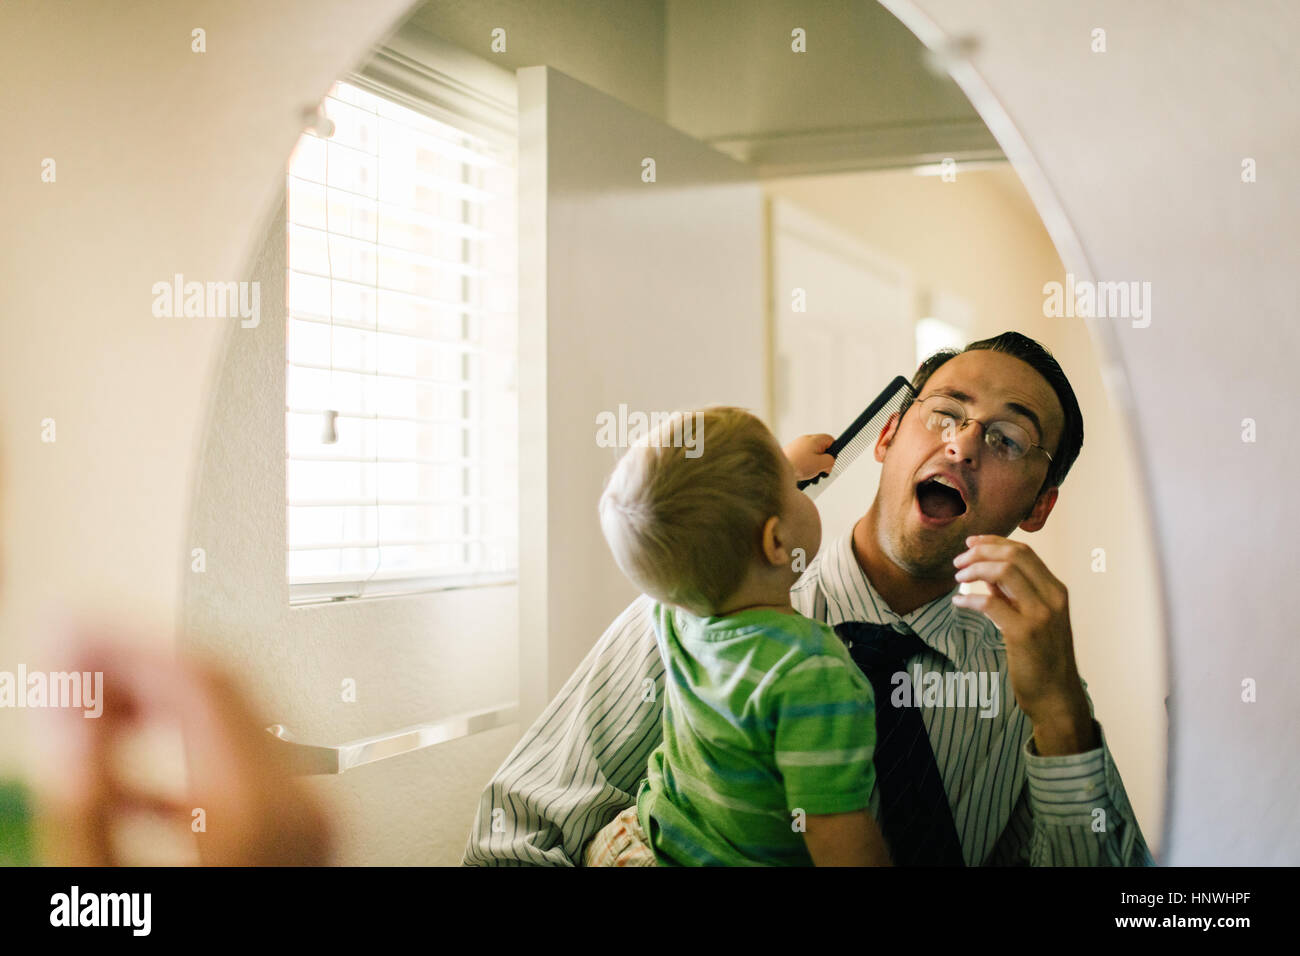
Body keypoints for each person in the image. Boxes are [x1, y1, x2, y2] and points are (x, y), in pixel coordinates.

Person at [463, 331, 1154, 867]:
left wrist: (1065, 717)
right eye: (946, 413)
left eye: (1007, 438)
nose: (963, 444)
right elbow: (515, 835)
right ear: (887, 435)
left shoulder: (1032, 694)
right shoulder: (700, 608)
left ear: (1038, 506)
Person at [585, 406, 889, 866]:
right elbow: (839, 845)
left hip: (634, 839)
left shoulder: (680, 618)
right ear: (775, 543)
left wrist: (779, 470)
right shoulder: (811, 670)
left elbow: (688, 520)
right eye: (793, 490)